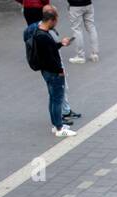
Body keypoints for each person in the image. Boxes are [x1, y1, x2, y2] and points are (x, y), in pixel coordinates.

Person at [27, 7, 78, 137]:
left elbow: (50, 49)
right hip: (53, 72)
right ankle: (59, 128)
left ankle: (56, 124)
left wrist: (61, 43)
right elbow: (51, 57)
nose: (56, 23)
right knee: (57, 99)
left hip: (46, 71)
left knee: (53, 98)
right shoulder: (43, 36)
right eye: (56, 20)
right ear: (50, 20)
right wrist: (60, 71)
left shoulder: (40, 32)